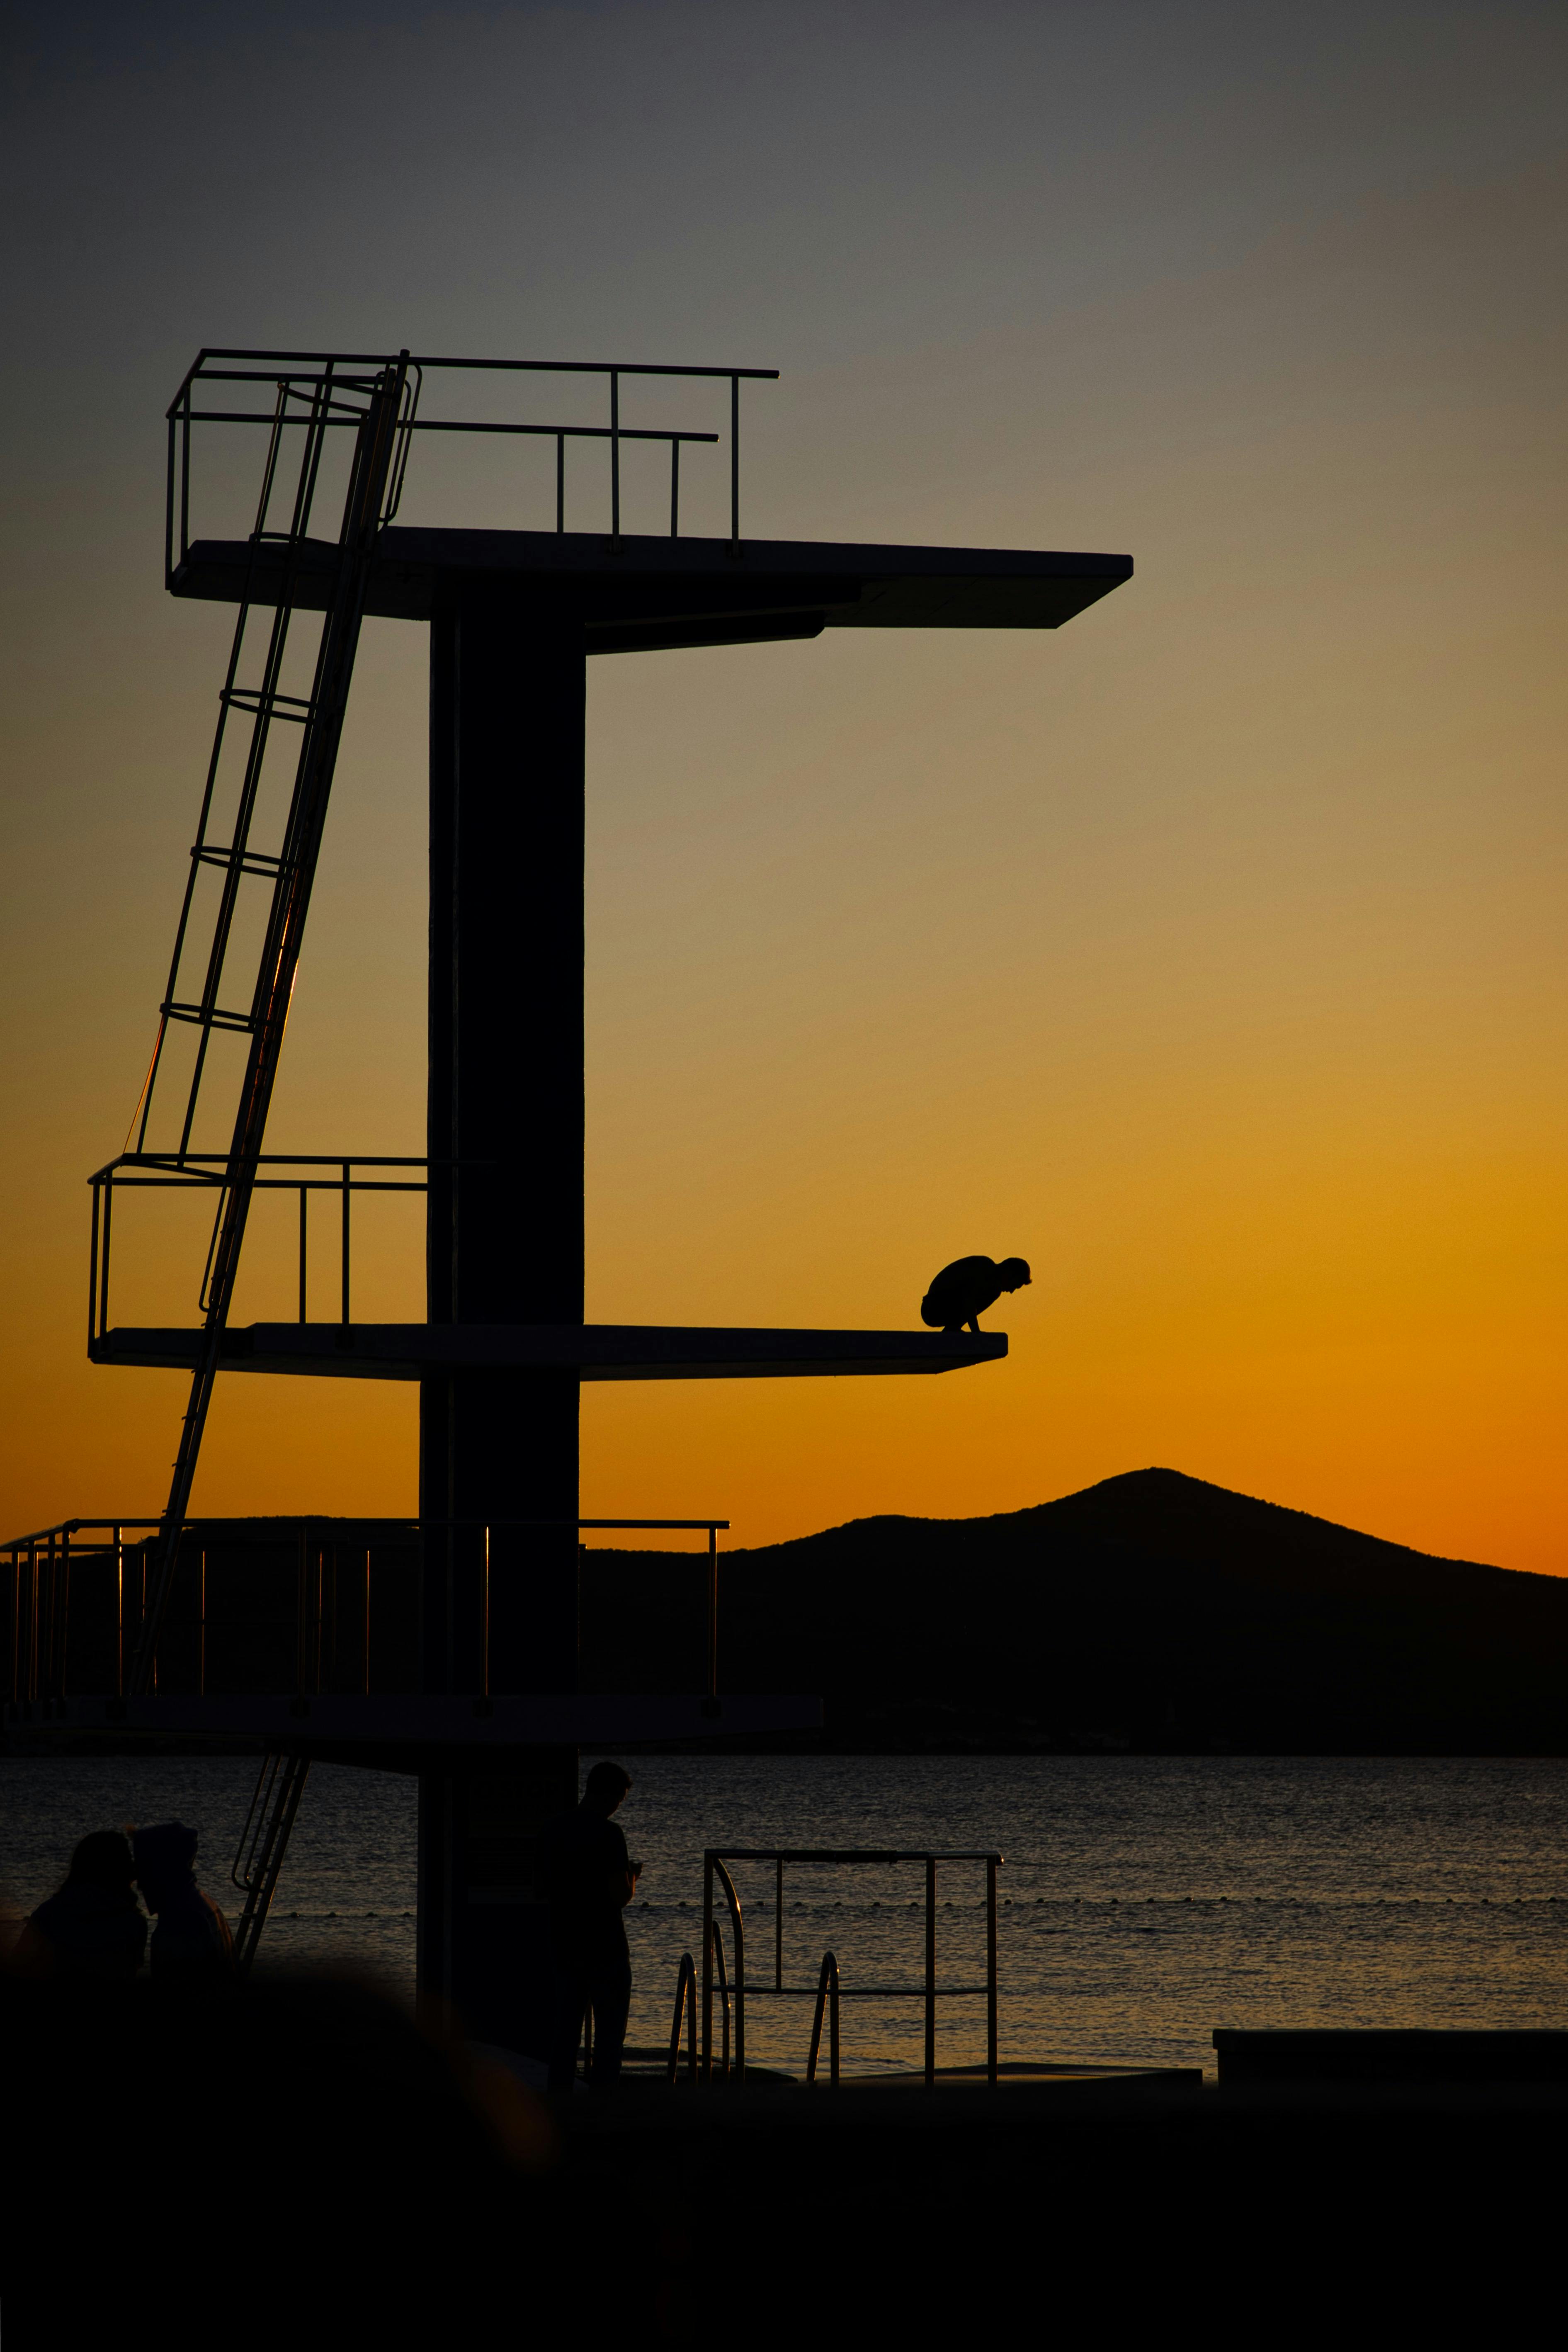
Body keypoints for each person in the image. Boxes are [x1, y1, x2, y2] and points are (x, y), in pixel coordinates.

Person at [537, 1761, 640, 2090]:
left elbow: (540, 1888)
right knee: (609, 2041)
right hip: (605, 1948)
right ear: (606, 1792)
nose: (617, 1807)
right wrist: (633, 1879)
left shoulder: (552, 1830)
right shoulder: (610, 1835)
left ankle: (558, 2108)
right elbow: (619, 1895)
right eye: (619, 1799)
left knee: (565, 2036)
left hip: (565, 1946)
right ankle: (602, 2110)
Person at [11, 1830, 146, 1984]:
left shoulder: (48, 1915)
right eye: (128, 1860)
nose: (134, 1867)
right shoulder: (133, 1924)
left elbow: (17, 1966)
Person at [131, 1821, 235, 1983]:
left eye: (142, 1867)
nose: (137, 1881)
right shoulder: (202, 1905)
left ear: (161, 1869)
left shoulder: (180, 1922)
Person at [920, 1254, 1031, 1334]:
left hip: (942, 1306)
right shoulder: (985, 1267)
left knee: (994, 1292)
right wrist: (976, 1333)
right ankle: (953, 1330)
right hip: (933, 1307)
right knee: (993, 1291)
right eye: (1015, 1285)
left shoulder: (992, 1284)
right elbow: (968, 1299)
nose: (1011, 1291)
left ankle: (953, 1329)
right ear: (1009, 1273)